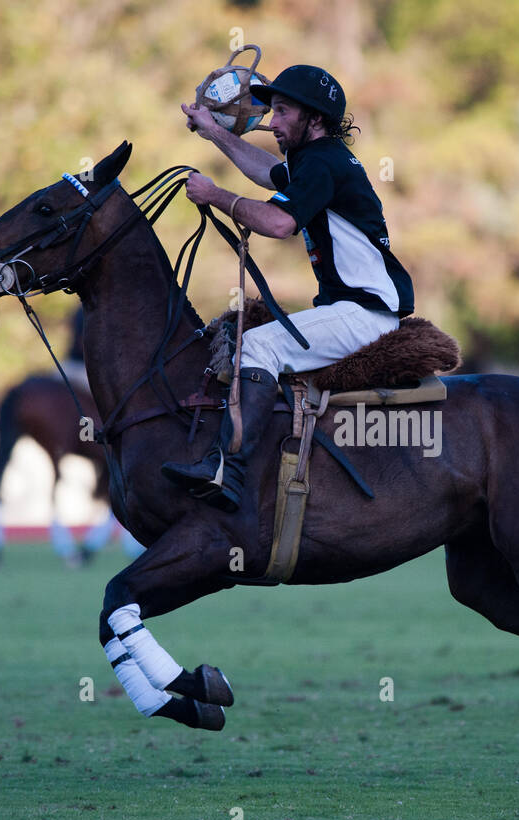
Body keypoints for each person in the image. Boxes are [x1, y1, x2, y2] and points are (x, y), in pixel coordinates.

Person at [162, 64, 414, 511]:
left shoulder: (321, 163)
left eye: (281, 111)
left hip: (365, 315)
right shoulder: (318, 160)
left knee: (258, 346)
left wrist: (216, 195)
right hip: (358, 310)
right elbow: (267, 173)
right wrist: (212, 132)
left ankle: (230, 472)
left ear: (314, 118)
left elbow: (279, 223)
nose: (270, 122)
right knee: (259, 343)